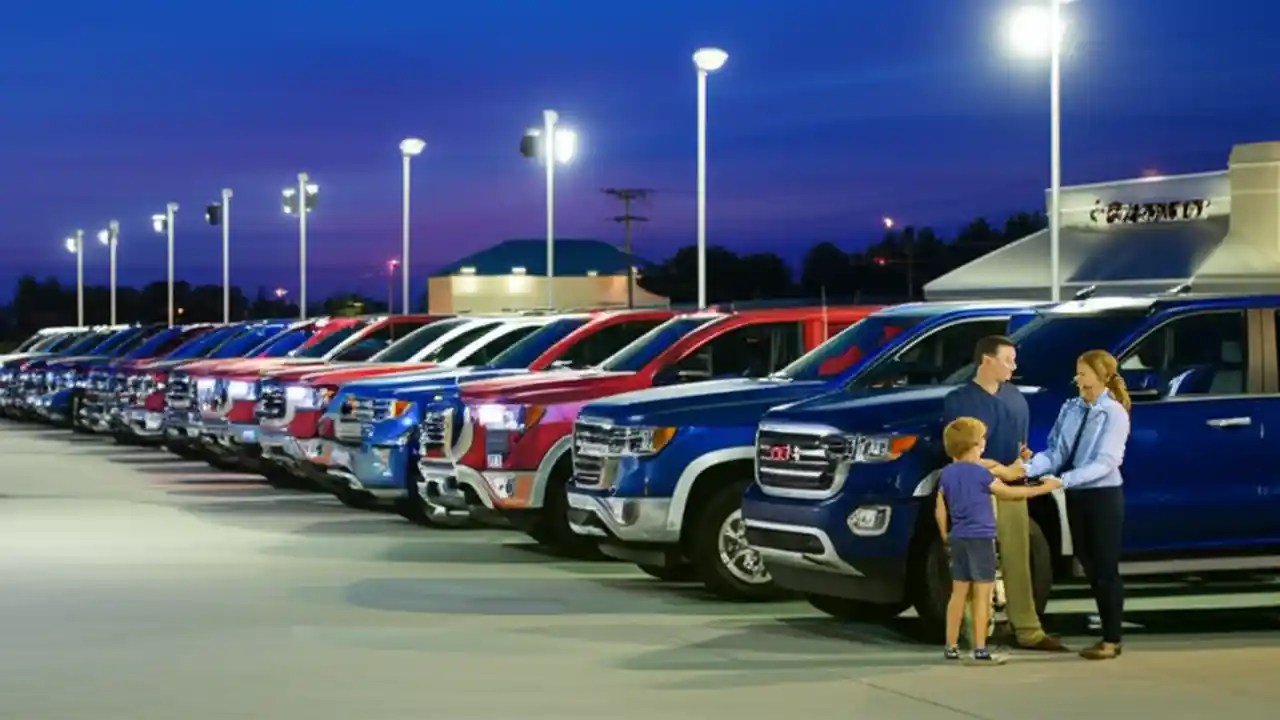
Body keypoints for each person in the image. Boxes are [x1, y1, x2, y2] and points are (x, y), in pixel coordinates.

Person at [943, 336, 1067, 652]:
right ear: (986, 360)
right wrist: (1004, 470)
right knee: (977, 567)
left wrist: (1021, 462)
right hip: (976, 493)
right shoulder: (960, 401)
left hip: (1011, 486)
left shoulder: (1015, 398)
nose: (1014, 366)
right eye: (1008, 359)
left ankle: (1028, 629)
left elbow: (1019, 445)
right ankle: (976, 635)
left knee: (1018, 558)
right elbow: (963, 454)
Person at [1024, 349, 1132, 660]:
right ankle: (1106, 638)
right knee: (1089, 565)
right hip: (1075, 495)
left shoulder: (1113, 413)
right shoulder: (1071, 408)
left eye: (1083, 373)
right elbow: (1056, 451)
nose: (1078, 379)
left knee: (1105, 567)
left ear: (1101, 376)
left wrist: (1063, 480)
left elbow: (1106, 462)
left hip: (1102, 497)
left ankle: (1112, 639)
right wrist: (1028, 468)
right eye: (1077, 372)